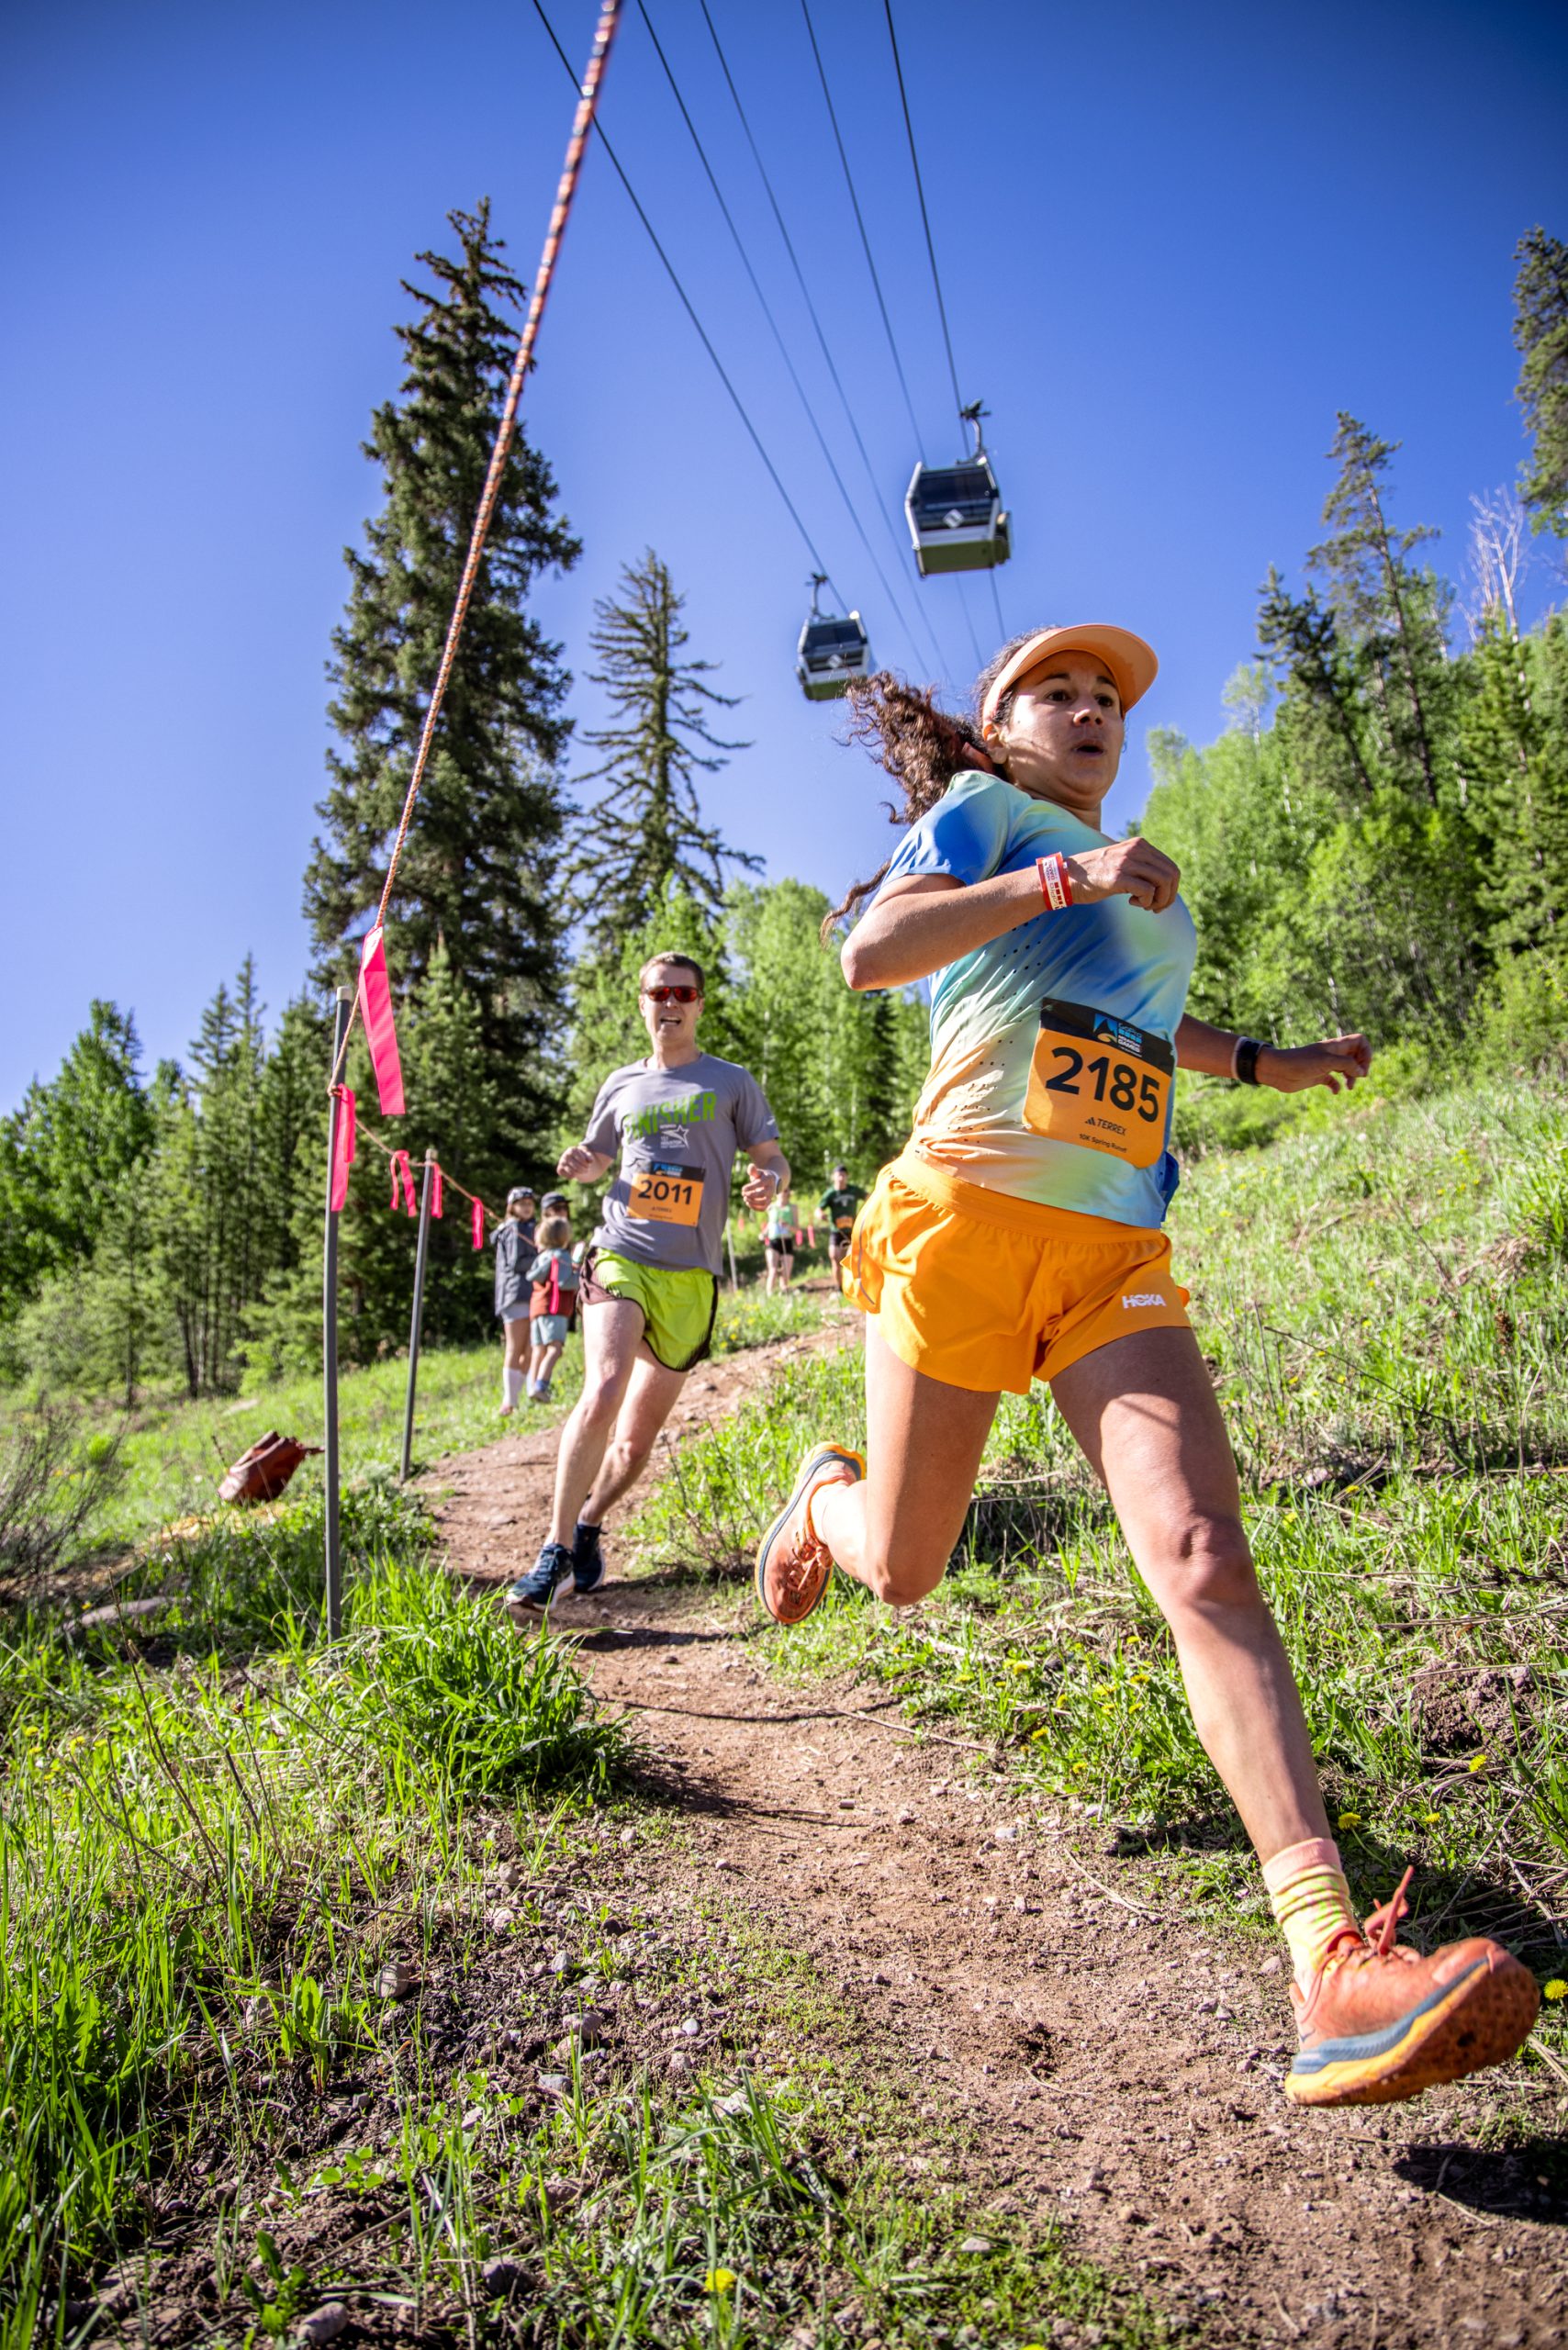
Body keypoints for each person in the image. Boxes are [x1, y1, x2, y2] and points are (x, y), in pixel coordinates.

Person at [754, 624, 1540, 2109]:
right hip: (964, 1225)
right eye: (1059, 689)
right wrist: (1057, 873)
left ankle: (1325, 1960)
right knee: (908, 1567)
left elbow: (1136, 1030)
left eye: (1108, 694)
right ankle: (821, 1500)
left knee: (1197, 1551)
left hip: (1112, 1255)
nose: (1092, 708)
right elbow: (870, 954)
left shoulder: (1143, 886)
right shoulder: (987, 824)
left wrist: (1272, 1066)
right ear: (997, 726)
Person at [507, 951, 789, 1610]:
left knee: (634, 1442)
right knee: (602, 1386)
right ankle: (551, 1553)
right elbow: (599, 1155)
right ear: (642, 1003)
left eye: (682, 992)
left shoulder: (731, 1082)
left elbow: (772, 1157)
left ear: (698, 1004)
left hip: (691, 1274)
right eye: (657, 992)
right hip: (621, 1251)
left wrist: (769, 1182)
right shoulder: (620, 1083)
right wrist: (582, 1164)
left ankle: (588, 1523)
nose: (670, 1002)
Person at [493, 1186, 538, 1416]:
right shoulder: (512, 1230)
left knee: (531, 1349)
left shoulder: (532, 1227)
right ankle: (509, 1401)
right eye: (522, 1204)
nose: (527, 1207)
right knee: (515, 1347)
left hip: (533, 1293)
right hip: (515, 1294)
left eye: (530, 1203)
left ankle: (519, 1398)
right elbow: (516, 1263)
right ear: (512, 1207)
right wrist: (544, 1259)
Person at [526, 1208, 579, 1403]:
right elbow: (564, 1283)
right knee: (555, 1349)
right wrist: (581, 1278)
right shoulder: (561, 1256)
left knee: (539, 1350)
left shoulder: (542, 1256)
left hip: (537, 1307)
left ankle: (532, 1389)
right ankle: (541, 1386)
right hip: (555, 1308)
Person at [818, 1161, 868, 1293]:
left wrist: (865, 1213)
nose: (841, 1178)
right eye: (838, 1175)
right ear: (833, 1177)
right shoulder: (830, 1194)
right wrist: (821, 1215)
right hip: (836, 1231)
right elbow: (819, 1209)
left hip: (853, 1231)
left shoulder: (854, 1190)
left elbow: (869, 1198)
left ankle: (856, 1287)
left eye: (844, 1175)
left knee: (854, 1258)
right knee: (835, 1258)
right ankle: (839, 1288)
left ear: (847, 1177)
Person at [762, 1180, 799, 1293]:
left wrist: (787, 1226)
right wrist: (763, 1234)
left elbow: (797, 1229)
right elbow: (770, 1223)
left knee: (786, 1273)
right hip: (773, 1241)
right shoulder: (771, 1207)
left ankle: (783, 1293)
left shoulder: (793, 1208)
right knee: (772, 1270)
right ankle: (770, 1295)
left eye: (786, 1190)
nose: (784, 1192)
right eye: (781, 1190)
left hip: (787, 1240)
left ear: (789, 1192)